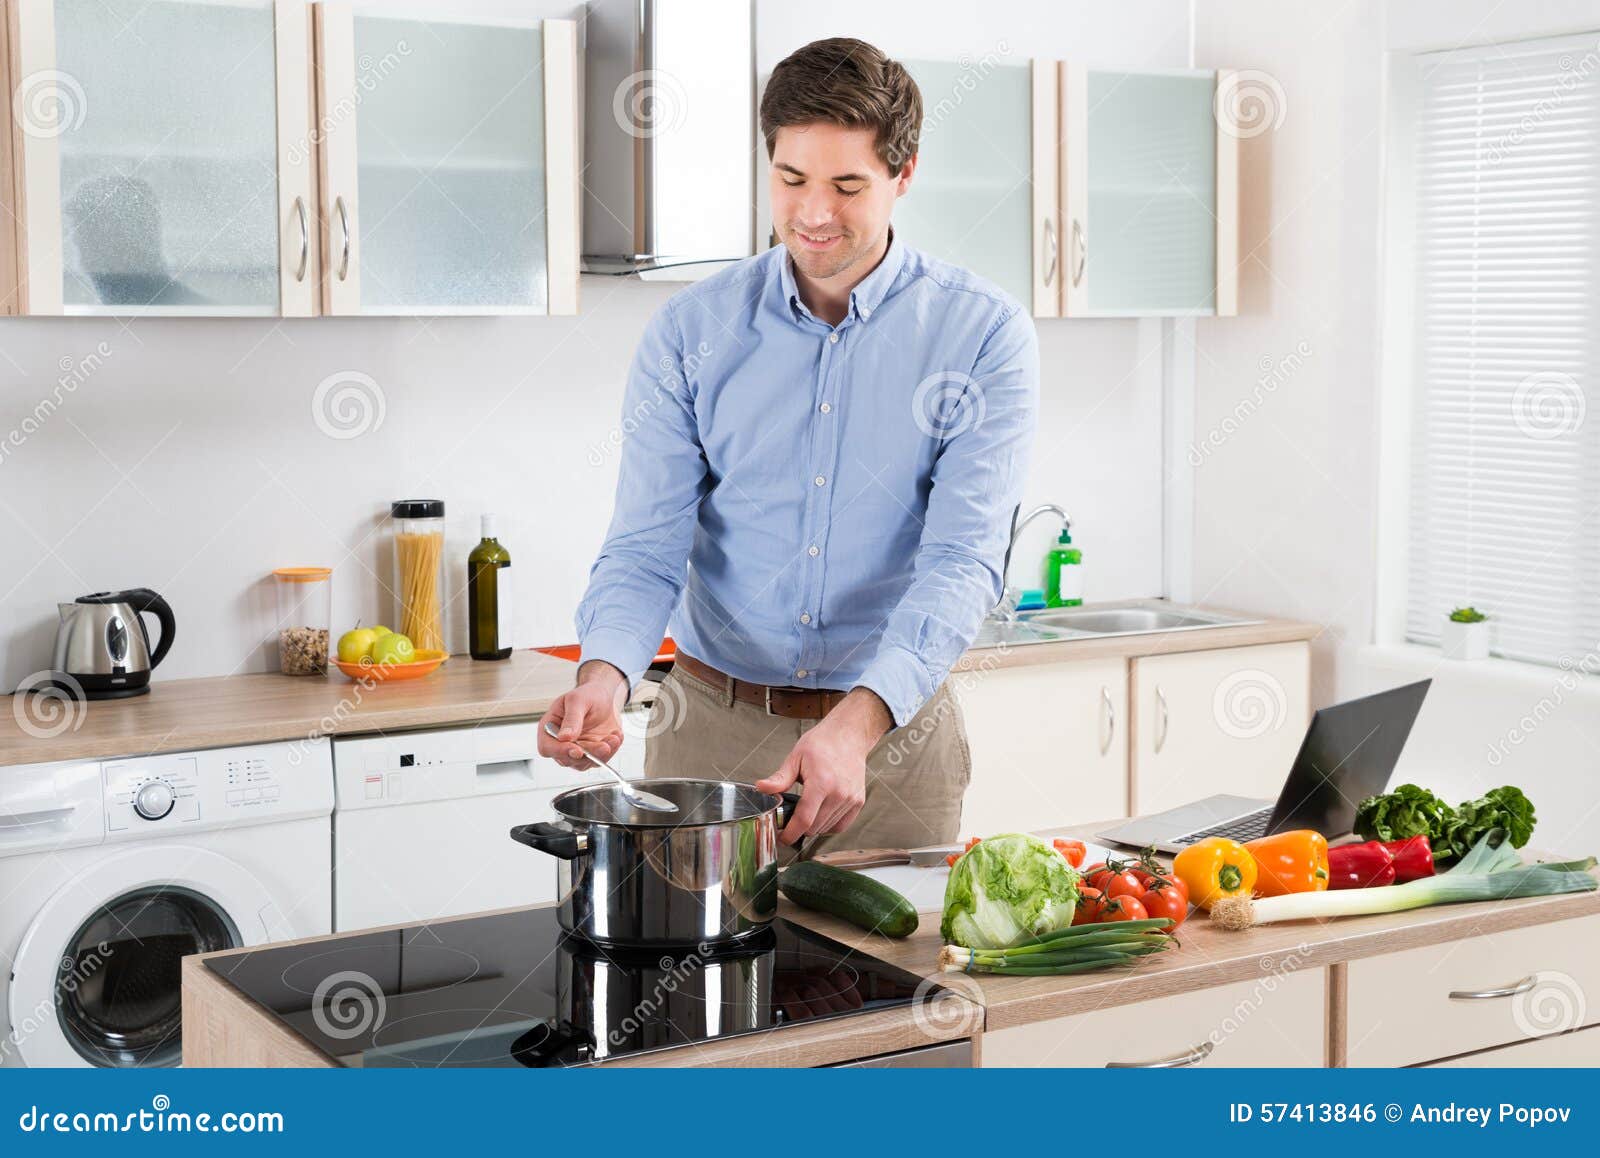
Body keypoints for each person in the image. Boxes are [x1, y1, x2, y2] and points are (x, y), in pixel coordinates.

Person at [537, 37, 1039, 857]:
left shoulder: (981, 333)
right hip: (706, 740)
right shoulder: (691, 331)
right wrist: (605, 675)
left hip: (890, 749)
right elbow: (645, 548)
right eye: (792, 180)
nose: (814, 213)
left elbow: (963, 560)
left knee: (892, 986)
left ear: (903, 175)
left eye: (848, 185)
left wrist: (860, 721)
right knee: (687, 982)